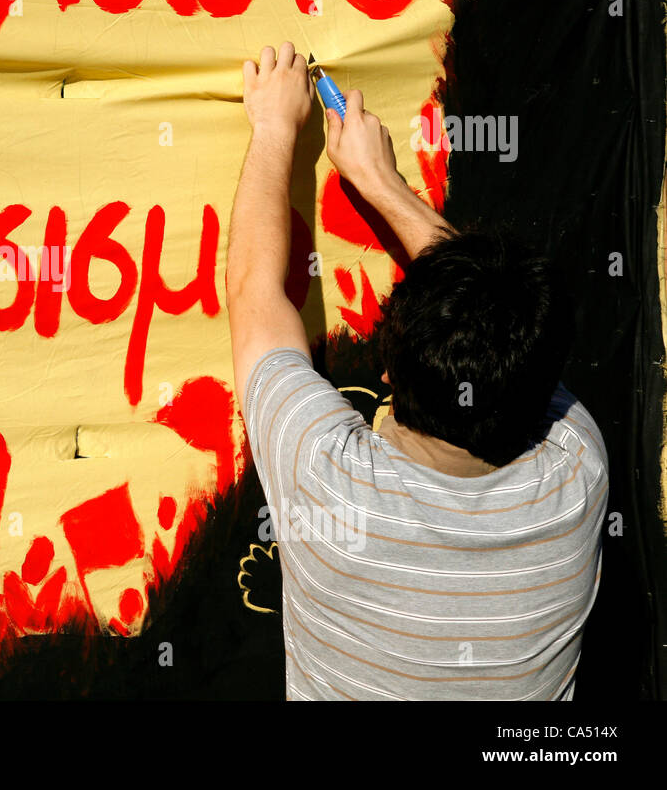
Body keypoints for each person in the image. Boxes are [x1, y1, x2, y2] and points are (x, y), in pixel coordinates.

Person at [225, 42, 609, 699]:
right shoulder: (579, 467)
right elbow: (503, 323)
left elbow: (255, 294)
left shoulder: (328, 485)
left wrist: (272, 128)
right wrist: (384, 185)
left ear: (388, 369)